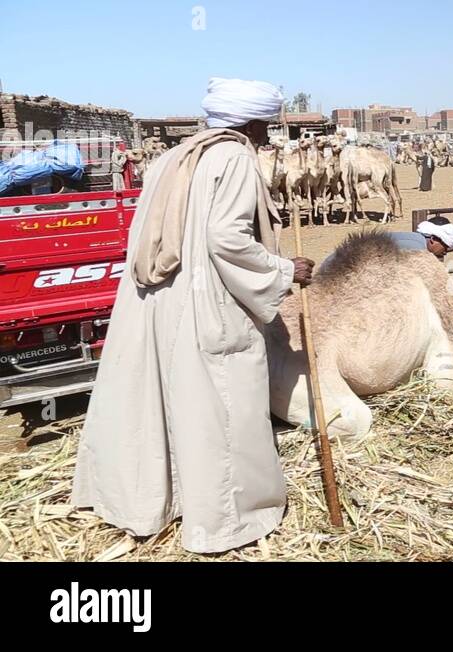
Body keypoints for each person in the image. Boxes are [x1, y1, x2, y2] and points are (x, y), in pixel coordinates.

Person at [71, 78, 315, 554]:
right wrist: (284, 271)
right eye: (265, 126)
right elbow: (227, 238)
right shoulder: (236, 157)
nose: (266, 136)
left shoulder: (171, 159)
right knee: (221, 408)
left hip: (157, 300)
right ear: (250, 122)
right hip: (205, 306)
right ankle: (227, 521)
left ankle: (152, 504)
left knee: (165, 401)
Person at [388, 216, 453, 259]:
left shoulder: (416, 241)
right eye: (445, 247)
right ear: (432, 239)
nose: (445, 252)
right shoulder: (417, 250)